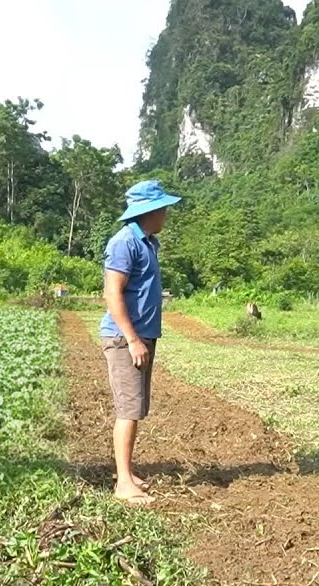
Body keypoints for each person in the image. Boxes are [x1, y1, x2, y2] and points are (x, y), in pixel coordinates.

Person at [100, 179, 181, 505]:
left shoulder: (147, 243)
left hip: (141, 337)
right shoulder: (124, 243)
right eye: (163, 209)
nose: (166, 215)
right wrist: (133, 339)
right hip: (124, 339)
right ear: (150, 210)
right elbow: (112, 293)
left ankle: (127, 473)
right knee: (128, 410)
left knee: (135, 408)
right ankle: (123, 484)